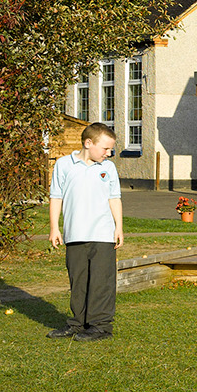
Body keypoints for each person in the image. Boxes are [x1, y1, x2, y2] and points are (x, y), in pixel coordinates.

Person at [47, 123, 124, 342]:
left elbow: (114, 198)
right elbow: (56, 197)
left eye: (111, 150)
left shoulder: (108, 168)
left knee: (101, 281)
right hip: (75, 234)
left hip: (103, 235)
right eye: (105, 148)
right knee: (78, 281)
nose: (108, 153)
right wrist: (54, 228)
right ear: (88, 143)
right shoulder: (63, 165)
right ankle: (77, 324)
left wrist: (118, 227)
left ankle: (100, 326)